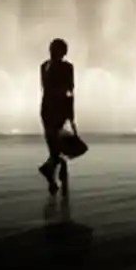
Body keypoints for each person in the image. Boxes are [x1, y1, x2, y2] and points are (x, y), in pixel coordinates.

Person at [38, 38, 75, 194]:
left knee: (55, 144)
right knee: (55, 144)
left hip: (49, 108)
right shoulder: (63, 67)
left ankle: (55, 176)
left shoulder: (45, 66)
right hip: (56, 109)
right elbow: (69, 90)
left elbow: (47, 88)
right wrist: (71, 115)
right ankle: (53, 171)